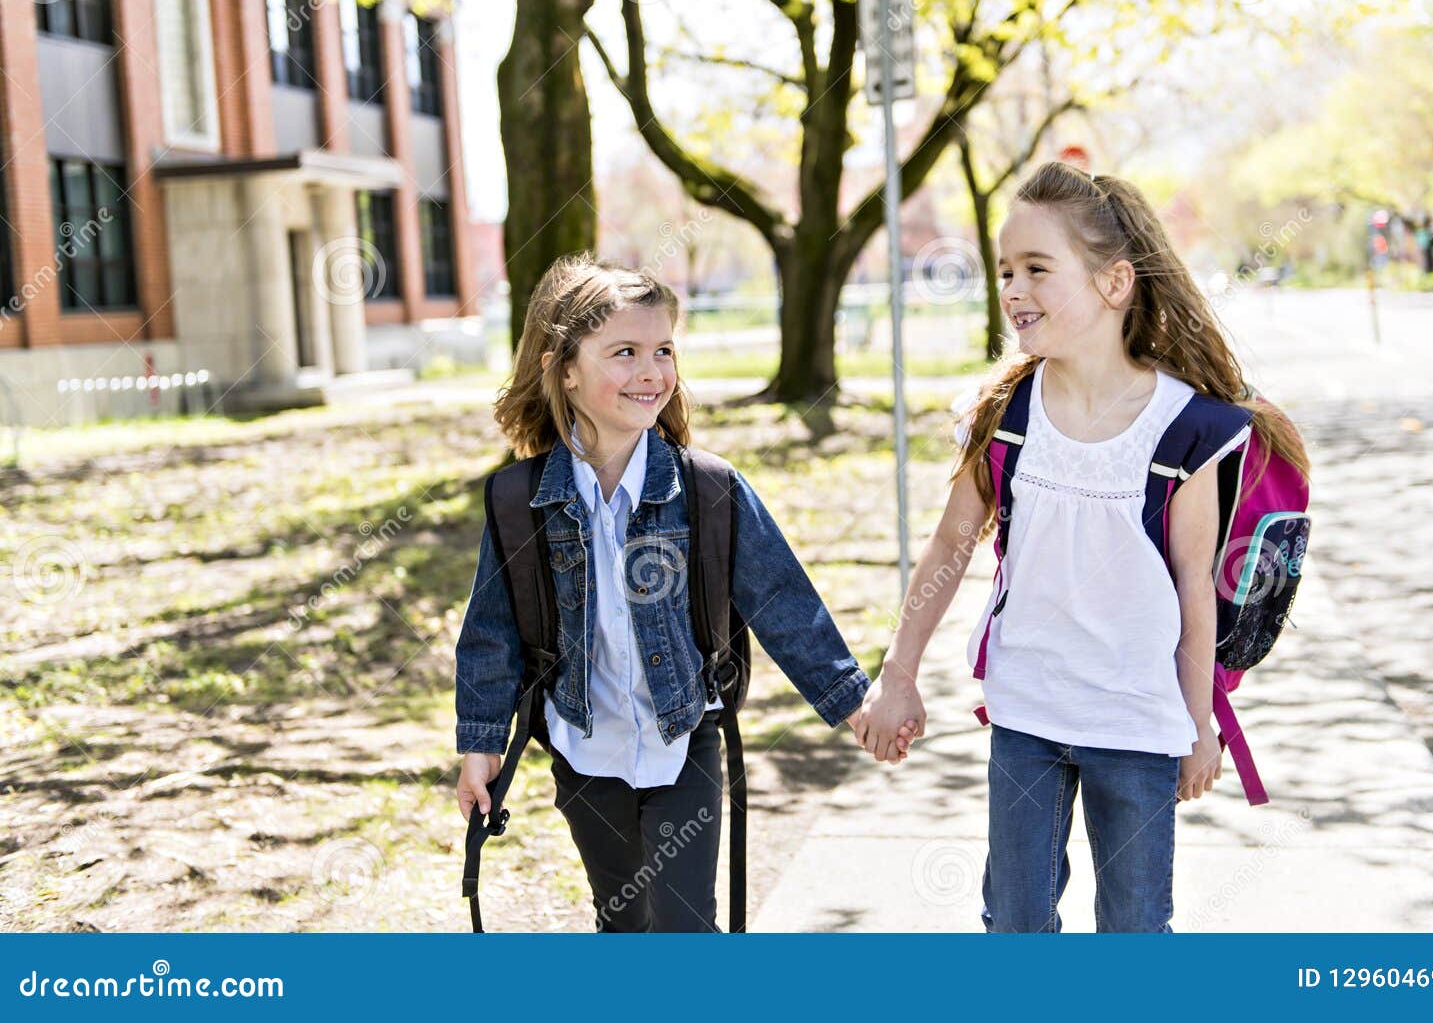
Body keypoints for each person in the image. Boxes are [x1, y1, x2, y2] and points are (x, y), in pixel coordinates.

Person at [854, 162, 1310, 932]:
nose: (1013, 287)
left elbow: (1194, 587)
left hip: (1136, 721)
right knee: (1015, 923)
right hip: (1027, 711)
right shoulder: (1003, 412)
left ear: (1114, 282)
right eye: (1005, 269)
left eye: (1037, 268)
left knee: (1134, 928)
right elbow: (947, 549)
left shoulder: (1186, 428)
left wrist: (1198, 721)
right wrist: (897, 674)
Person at [453, 254, 910, 931]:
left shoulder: (707, 490)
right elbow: (491, 633)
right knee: (624, 923)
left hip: (684, 740)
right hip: (585, 749)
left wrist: (853, 703)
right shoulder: (520, 500)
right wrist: (481, 744)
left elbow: (781, 599)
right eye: (625, 352)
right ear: (565, 368)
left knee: (686, 926)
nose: (651, 371)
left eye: (663, 349)